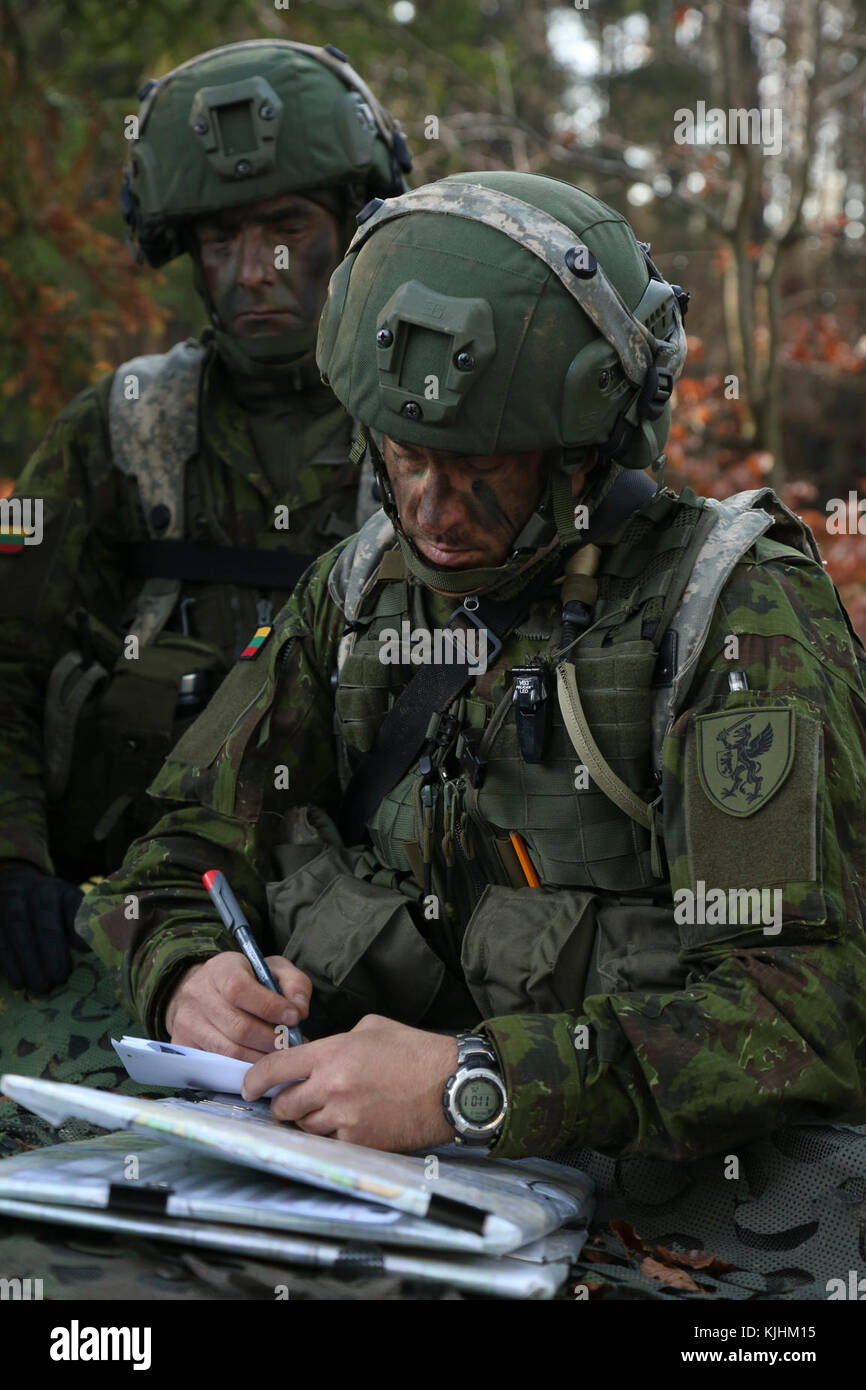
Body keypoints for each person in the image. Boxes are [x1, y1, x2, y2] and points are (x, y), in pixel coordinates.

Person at [78, 171, 866, 1165]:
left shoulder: (727, 610)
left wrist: (476, 1085)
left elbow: (800, 1006)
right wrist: (185, 972)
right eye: (406, 460)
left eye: (482, 474)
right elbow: (175, 850)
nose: (435, 515)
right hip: (350, 1162)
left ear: (585, 451)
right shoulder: (358, 592)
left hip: (653, 1186)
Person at [0, 39, 412, 994]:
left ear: (355, 227)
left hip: (368, 940)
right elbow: (9, 653)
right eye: (219, 241)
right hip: (112, 916)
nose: (253, 269)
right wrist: (14, 859)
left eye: (286, 228)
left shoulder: (424, 430)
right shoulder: (118, 428)